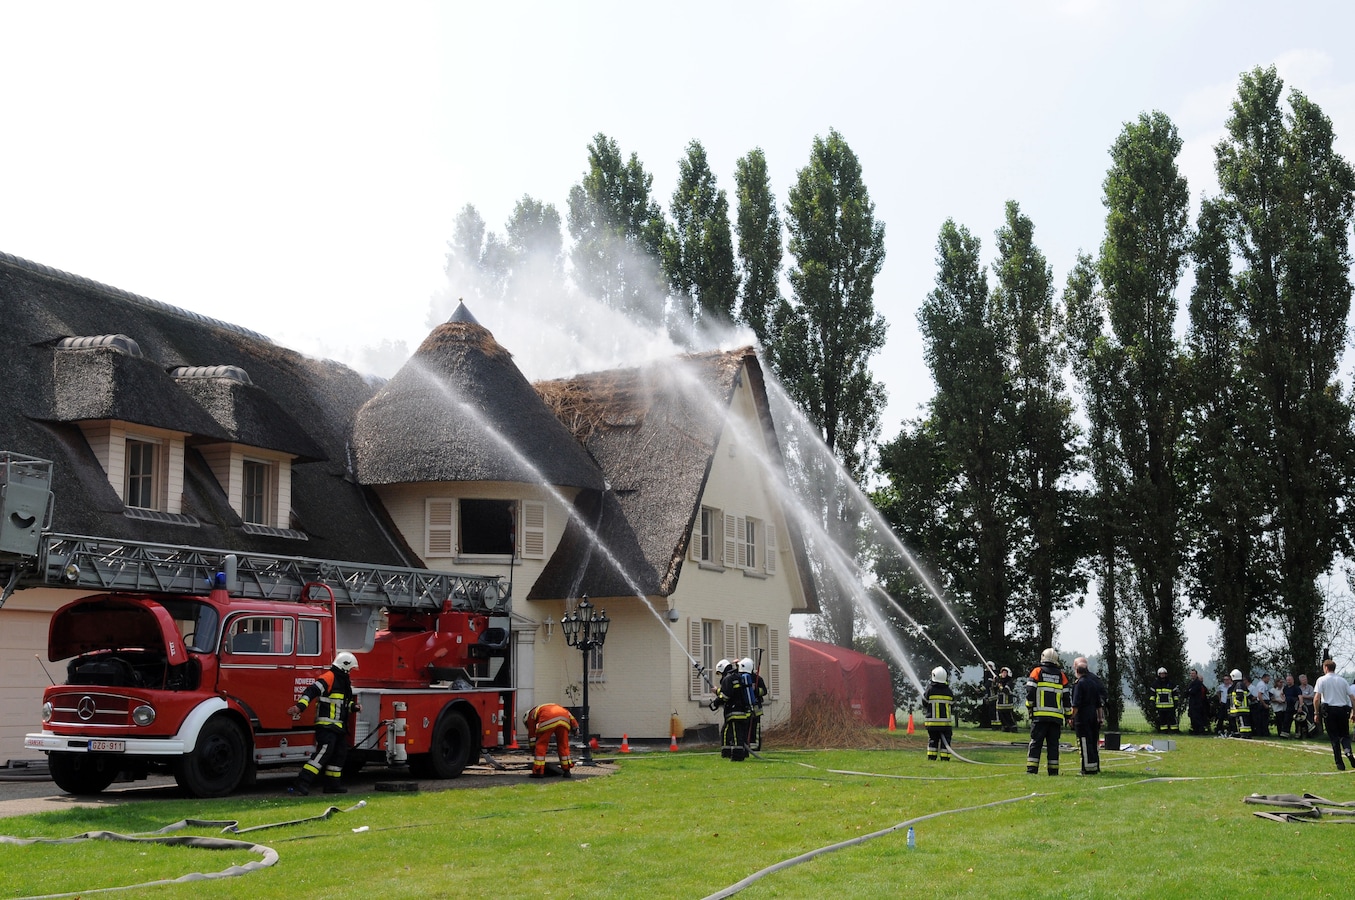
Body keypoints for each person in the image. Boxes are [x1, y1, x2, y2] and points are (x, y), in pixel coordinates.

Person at [287, 651, 360, 795]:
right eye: (351, 668)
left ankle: (332, 785)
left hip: (337, 727)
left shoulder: (343, 681)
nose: (351, 672)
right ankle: (301, 783)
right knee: (322, 754)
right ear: (345, 666)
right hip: (327, 726)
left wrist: (353, 707)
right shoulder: (330, 677)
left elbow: (342, 703)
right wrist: (300, 706)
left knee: (339, 754)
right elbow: (311, 691)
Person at [1026, 648, 1069, 776]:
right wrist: (1068, 715)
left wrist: (1030, 707)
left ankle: (1032, 770)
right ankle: (1053, 771)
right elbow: (1067, 697)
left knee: (1036, 743)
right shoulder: (1061, 676)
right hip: (1056, 718)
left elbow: (1030, 691)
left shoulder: (1037, 671)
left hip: (1040, 717)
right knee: (1053, 745)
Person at [1312, 659, 1354, 771]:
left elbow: (1316, 698)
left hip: (1329, 711)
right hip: (1343, 710)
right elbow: (1352, 698)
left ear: (1326, 668)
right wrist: (1353, 711)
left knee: (1334, 737)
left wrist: (1316, 712)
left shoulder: (1321, 680)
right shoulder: (1342, 680)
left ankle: (1339, 763)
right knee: (1344, 735)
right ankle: (1348, 751)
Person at [1070, 656, 1106, 774]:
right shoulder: (1094, 682)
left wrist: (1071, 717)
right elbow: (1099, 705)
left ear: (1077, 671)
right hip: (1093, 717)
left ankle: (1086, 769)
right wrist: (1100, 718)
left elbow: (1076, 705)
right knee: (1093, 741)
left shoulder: (1079, 684)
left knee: (1084, 742)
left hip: (1082, 718)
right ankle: (1095, 766)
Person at [524, 702, 578, 778]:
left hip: (547, 719)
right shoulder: (555, 706)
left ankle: (538, 771)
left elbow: (532, 735)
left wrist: (533, 749)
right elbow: (569, 715)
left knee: (541, 744)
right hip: (564, 720)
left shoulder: (531, 714)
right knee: (563, 745)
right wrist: (575, 727)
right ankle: (567, 770)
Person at [720, 658, 757, 761]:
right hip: (744, 712)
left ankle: (737, 756)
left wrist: (717, 700)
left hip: (734, 712)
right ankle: (744, 753)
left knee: (736, 735)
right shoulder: (743, 679)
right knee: (741, 734)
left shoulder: (731, 678)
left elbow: (727, 695)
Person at [923, 666, 954, 761]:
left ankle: (932, 757)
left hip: (932, 724)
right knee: (946, 742)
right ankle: (945, 758)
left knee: (933, 740)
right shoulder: (949, 691)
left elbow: (924, 702)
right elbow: (952, 705)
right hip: (945, 724)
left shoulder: (930, 690)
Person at [708, 659, 735, 758]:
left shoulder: (727, 679)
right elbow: (726, 691)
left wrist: (716, 702)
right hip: (740, 711)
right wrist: (718, 691)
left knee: (725, 732)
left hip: (732, 711)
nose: (720, 675)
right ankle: (738, 752)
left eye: (720, 673)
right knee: (736, 733)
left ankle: (726, 753)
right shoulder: (734, 677)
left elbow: (726, 695)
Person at [743, 657, 769, 751]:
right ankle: (746, 744)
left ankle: (755, 746)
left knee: (755, 727)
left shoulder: (757, 678)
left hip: (756, 707)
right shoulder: (743, 678)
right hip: (746, 706)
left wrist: (756, 690)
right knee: (745, 726)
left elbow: (764, 691)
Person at [1151, 667, 1179, 732]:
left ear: (1166, 674)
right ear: (1159, 674)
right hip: (1160, 706)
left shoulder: (1171, 684)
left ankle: (1174, 731)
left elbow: (1175, 694)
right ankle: (1163, 731)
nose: (1162, 675)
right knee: (1162, 720)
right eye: (1161, 674)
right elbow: (1152, 695)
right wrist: (1152, 702)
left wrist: (1176, 702)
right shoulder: (1155, 684)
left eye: (1163, 674)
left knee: (1172, 719)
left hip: (1170, 706)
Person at [1183, 668, 1210, 735]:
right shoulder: (1191, 683)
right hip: (1192, 703)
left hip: (1197, 703)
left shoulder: (1198, 683)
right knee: (1193, 717)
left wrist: (1189, 691)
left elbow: (1192, 691)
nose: (1192, 675)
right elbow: (1186, 693)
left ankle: (1200, 730)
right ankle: (1195, 730)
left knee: (1197, 717)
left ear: (1196, 675)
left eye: (1193, 674)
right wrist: (1188, 691)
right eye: (1191, 674)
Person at [1227, 668, 1252, 737]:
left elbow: (1239, 696)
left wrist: (1237, 704)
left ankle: (1245, 734)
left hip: (1241, 709)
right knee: (1241, 723)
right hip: (1240, 709)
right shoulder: (1240, 685)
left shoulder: (1239, 685)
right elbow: (1249, 696)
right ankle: (1243, 734)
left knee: (1243, 722)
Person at [995, 666, 1019, 733]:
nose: (1003, 674)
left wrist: (999, 685)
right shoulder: (1000, 681)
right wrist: (995, 682)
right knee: (1001, 717)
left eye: (1005, 673)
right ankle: (1005, 727)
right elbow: (994, 688)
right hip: (1000, 703)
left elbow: (1005, 690)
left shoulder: (1009, 682)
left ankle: (1013, 728)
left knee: (1008, 717)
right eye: (1002, 673)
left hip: (1007, 703)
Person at [1250, 673, 1273, 737]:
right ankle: (1264, 733)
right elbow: (1260, 695)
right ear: (1264, 678)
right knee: (1264, 719)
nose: (1268, 680)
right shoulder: (1262, 685)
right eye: (1268, 679)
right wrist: (1264, 704)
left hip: (1262, 702)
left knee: (1262, 719)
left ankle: (1261, 732)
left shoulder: (1260, 684)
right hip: (1263, 702)